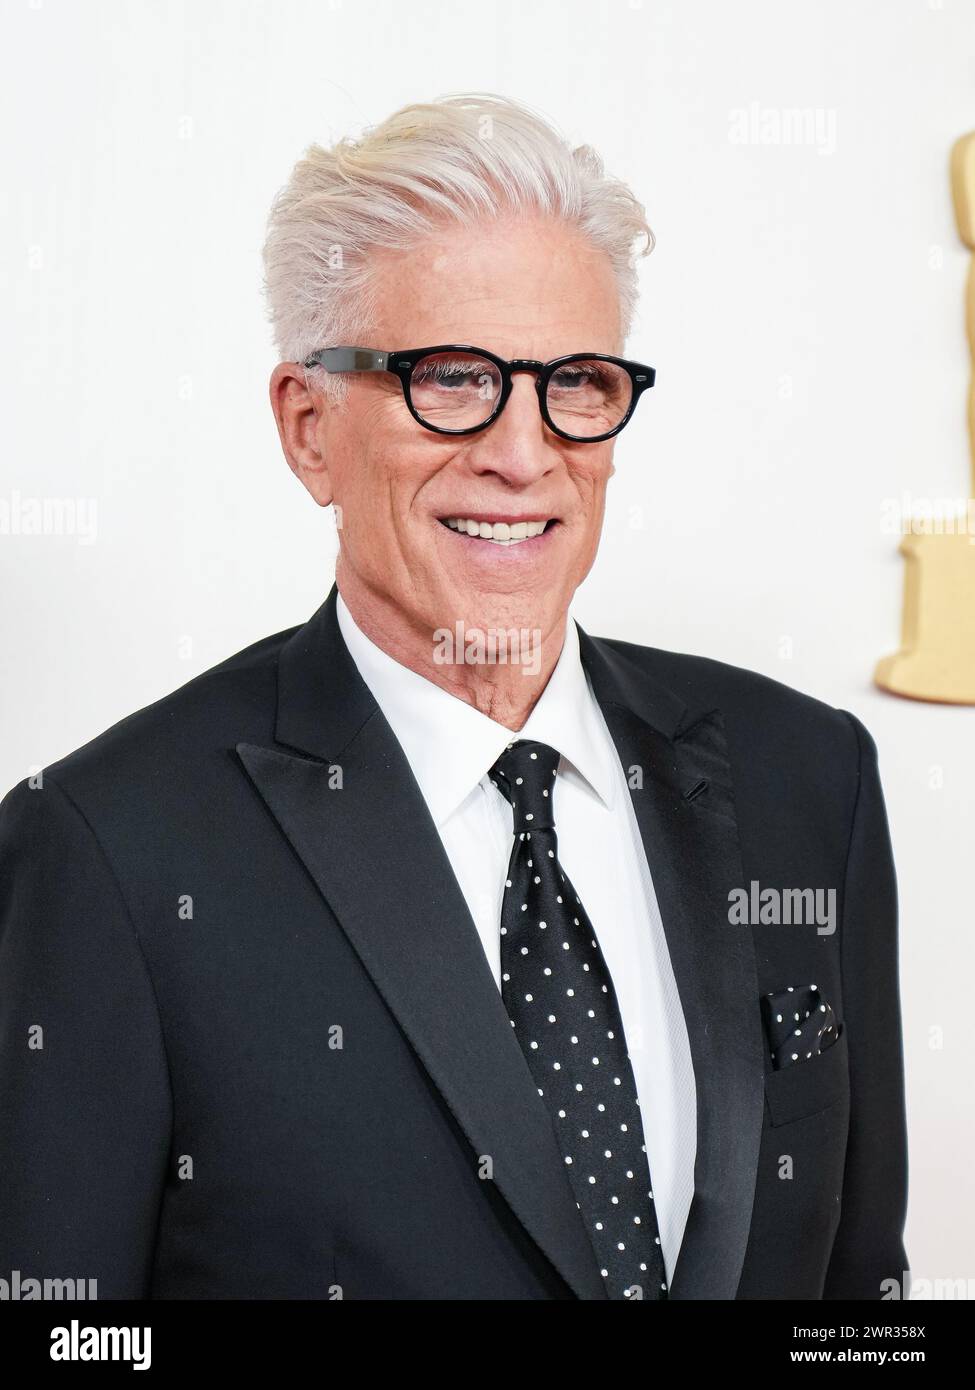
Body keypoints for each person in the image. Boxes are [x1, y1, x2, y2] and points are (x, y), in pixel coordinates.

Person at [0, 93, 908, 1300]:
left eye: (575, 382)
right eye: (455, 379)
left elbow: (859, 1296)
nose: (523, 453)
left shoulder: (811, 777)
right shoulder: (107, 847)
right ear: (309, 426)